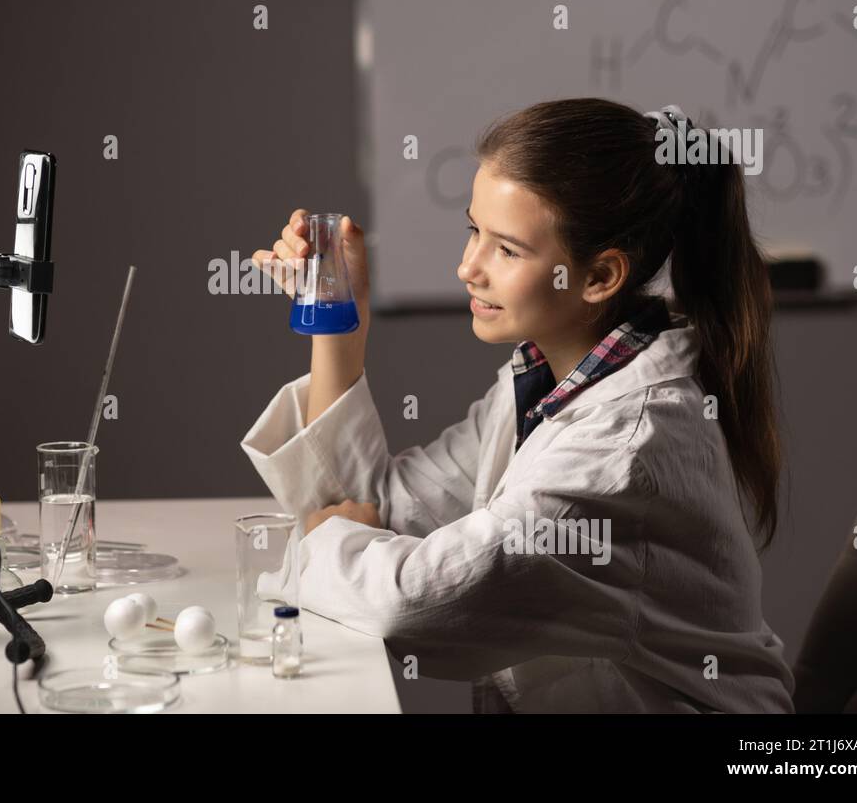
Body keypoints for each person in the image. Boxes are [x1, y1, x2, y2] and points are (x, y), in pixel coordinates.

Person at [240, 97, 795, 713]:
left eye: (507, 249)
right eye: (473, 230)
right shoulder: (543, 383)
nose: (467, 267)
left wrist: (328, 541)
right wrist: (339, 317)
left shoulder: (625, 448)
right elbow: (378, 508)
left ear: (600, 277)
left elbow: (414, 602)